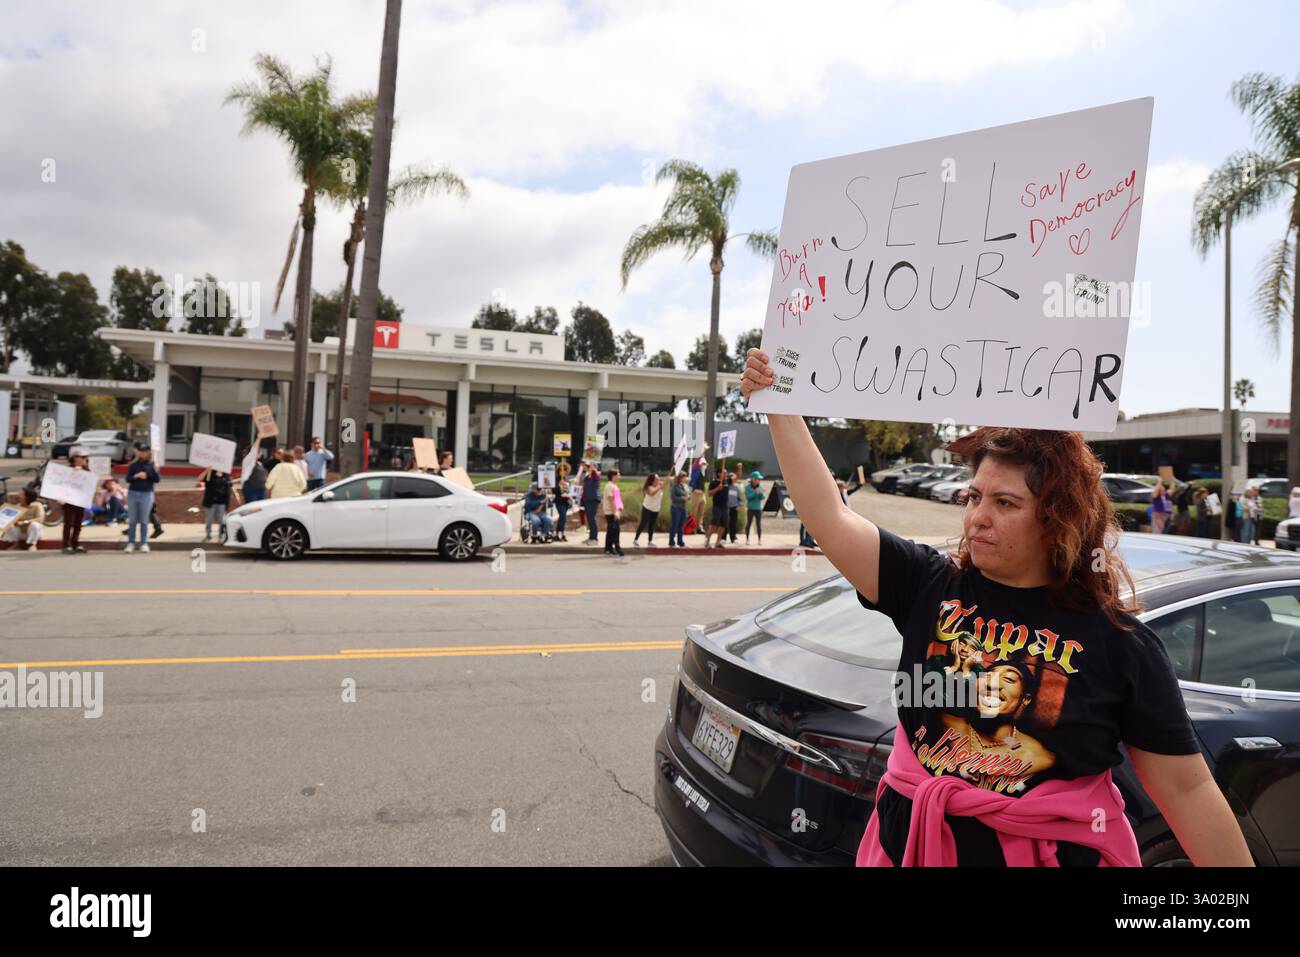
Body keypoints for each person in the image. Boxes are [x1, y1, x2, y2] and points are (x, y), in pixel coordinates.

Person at [741, 346, 1252, 867]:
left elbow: (1187, 792)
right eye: (974, 497)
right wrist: (779, 402)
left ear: (1058, 520)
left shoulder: (1121, 646)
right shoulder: (928, 583)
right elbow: (827, 514)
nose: (977, 518)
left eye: (1004, 503)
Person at [124, 442, 160, 553]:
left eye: (145, 451)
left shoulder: (152, 464)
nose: (143, 453)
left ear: (148, 452)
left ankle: (144, 543)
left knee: (144, 520)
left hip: (147, 494)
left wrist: (154, 472)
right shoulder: (134, 464)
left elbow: (157, 480)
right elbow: (128, 479)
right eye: (141, 451)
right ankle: (131, 542)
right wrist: (136, 476)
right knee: (133, 520)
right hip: (133, 493)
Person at [61, 451, 92, 553]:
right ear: (74, 458)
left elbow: (90, 482)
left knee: (78, 523)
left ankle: (75, 543)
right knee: (68, 523)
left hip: (80, 500)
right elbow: (61, 483)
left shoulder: (87, 470)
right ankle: (66, 544)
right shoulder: (67, 470)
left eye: (84, 458)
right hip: (69, 500)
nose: (82, 459)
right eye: (80, 457)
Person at [198, 467, 233, 542]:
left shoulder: (225, 475)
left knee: (222, 520)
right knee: (209, 520)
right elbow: (199, 479)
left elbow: (229, 486)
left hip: (222, 502)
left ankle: (221, 536)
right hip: (211, 501)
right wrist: (207, 471)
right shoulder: (210, 474)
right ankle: (208, 536)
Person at [634, 473, 663, 547]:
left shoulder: (659, 486)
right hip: (647, 508)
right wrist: (659, 486)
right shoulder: (648, 487)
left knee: (652, 525)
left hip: (656, 509)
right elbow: (652, 493)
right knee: (643, 523)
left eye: (659, 479)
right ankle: (636, 539)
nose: (658, 480)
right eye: (657, 479)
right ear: (652, 480)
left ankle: (650, 541)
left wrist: (668, 479)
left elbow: (668, 481)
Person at [601, 467, 624, 556]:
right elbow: (611, 500)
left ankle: (608, 549)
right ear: (613, 476)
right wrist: (615, 512)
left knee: (611, 531)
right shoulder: (609, 486)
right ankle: (617, 548)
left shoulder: (614, 486)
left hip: (614, 511)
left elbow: (617, 500)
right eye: (618, 475)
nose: (619, 476)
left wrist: (620, 508)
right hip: (610, 512)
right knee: (615, 531)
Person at [688, 447, 709, 534]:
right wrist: (703, 450)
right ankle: (692, 528)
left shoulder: (703, 472)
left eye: (705, 464)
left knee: (701, 512)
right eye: (703, 464)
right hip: (696, 493)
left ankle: (699, 527)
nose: (704, 465)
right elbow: (697, 461)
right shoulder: (695, 471)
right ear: (699, 464)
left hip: (702, 494)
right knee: (694, 512)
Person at [579, 463, 602, 544]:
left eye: (590, 467)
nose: (588, 468)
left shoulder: (596, 475)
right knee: (589, 519)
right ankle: (591, 537)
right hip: (587, 499)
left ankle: (595, 539)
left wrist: (591, 463)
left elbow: (594, 472)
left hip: (593, 499)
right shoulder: (587, 476)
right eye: (588, 467)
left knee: (592, 519)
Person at [706, 468, 729, 548]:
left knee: (723, 525)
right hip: (717, 507)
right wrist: (717, 489)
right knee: (714, 525)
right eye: (724, 473)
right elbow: (709, 493)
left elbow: (737, 476)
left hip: (725, 507)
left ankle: (717, 542)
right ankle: (707, 541)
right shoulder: (714, 482)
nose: (726, 474)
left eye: (726, 473)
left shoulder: (727, 481)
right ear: (719, 474)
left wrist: (740, 468)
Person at [668, 470, 689, 548]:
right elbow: (673, 498)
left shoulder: (684, 485)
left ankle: (680, 542)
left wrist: (688, 497)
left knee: (681, 526)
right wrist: (683, 498)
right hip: (676, 508)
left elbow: (688, 495)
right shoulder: (674, 486)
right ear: (679, 478)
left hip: (683, 508)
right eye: (683, 477)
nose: (685, 478)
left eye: (685, 477)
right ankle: (671, 542)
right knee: (675, 525)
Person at [744, 471, 765, 545]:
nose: (759, 480)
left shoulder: (760, 486)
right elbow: (748, 497)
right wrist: (755, 492)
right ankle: (747, 539)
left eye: (759, 479)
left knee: (758, 524)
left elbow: (762, 497)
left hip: (758, 508)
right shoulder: (747, 487)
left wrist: (761, 493)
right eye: (758, 479)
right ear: (753, 479)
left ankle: (759, 540)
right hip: (750, 508)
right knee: (749, 523)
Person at [726, 472, 741, 543]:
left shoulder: (736, 488)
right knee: (725, 522)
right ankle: (723, 537)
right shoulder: (726, 487)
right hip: (726, 507)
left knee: (733, 523)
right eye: (731, 477)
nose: (733, 479)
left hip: (734, 507)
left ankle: (733, 537)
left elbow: (738, 498)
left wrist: (739, 504)